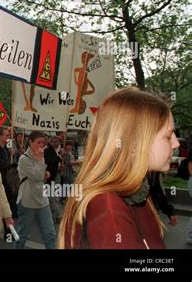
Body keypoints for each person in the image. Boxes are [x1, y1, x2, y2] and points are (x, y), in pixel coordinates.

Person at [59, 87, 180, 249]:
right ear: (135, 142)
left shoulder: (135, 193)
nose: (176, 143)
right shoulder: (110, 210)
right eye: (168, 136)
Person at [15, 131, 57, 249]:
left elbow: (40, 174)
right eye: (39, 142)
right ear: (31, 142)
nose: (41, 145)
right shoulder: (24, 159)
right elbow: (38, 176)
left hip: (42, 200)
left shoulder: (41, 156)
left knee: (50, 234)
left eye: (43, 142)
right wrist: (41, 164)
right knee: (22, 235)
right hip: (28, 200)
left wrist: (44, 171)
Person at [0, 126, 18, 220]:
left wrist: (11, 154)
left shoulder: (6, 148)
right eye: (6, 135)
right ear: (0, 136)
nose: (8, 136)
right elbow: (1, 164)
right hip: (0, 180)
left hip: (6, 180)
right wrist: (13, 165)